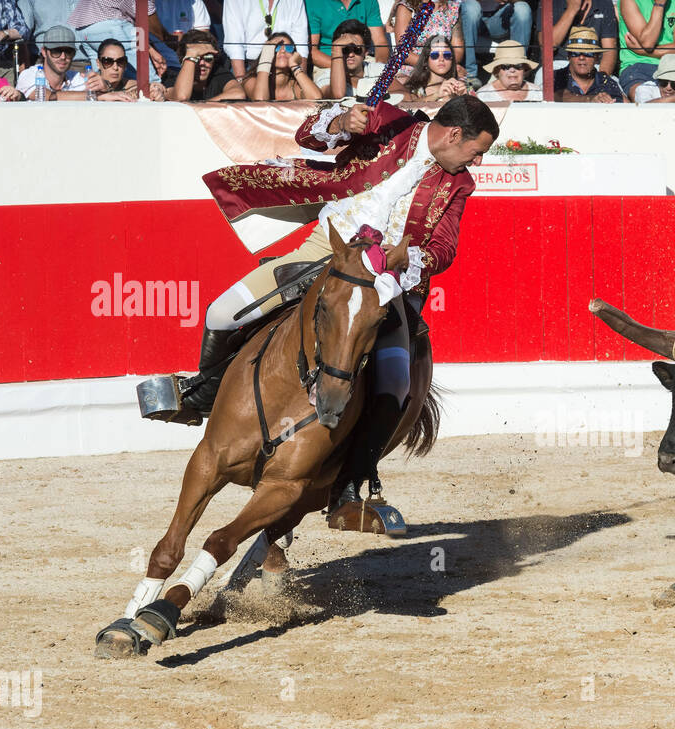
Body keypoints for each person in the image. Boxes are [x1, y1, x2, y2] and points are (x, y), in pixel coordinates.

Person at [183, 96, 500, 513]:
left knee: (397, 382)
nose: (475, 162)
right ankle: (201, 394)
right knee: (222, 312)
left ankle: (351, 485)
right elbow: (308, 136)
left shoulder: (458, 183)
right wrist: (339, 122)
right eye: (476, 152)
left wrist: (406, 258)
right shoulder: (387, 121)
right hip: (323, 250)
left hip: (386, 282)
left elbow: (444, 247)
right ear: (455, 134)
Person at [68, 0, 167, 81]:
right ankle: (154, 92)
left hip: (83, 29)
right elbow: (148, 18)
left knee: (102, 79)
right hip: (109, 24)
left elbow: (136, 30)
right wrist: (168, 39)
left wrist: (150, 49)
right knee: (147, 79)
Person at [618, 0, 675, 97]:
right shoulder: (629, 1)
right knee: (645, 98)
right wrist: (659, 5)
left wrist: (643, 52)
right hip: (638, 66)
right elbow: (648, 42)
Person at [224, 0, 309, 82]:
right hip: (249, 66)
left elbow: (301, 47)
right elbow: (235, 47)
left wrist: (300, 82)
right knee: (256, 95)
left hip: (285, 65)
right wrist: (242, 82)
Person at [309, 0, 389, 86]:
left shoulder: (369, 1)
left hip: (362, 61)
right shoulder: (313, 3)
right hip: (327, 65)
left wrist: (380, 70)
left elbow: (380, 42)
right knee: (335, 92)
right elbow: (312, 51)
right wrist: (343, 67)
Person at [390, 0, 462, 86]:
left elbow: (458, 51)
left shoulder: (452, 9)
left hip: (444, 67)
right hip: (413, 68)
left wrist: (444, 65)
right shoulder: (406, 8)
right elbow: (402, 52)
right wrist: (431, 64)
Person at [460, 0, 532, 86]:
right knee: (471, 7)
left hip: (500, 18)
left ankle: (517, 69)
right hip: (472, 20)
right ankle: (470, 75)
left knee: (522, 8)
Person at [545, 0, 619, 76]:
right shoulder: (549, 3)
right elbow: (547, 46)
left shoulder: (604, 3)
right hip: (556, 65)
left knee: (613, 86)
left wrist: (601, 80)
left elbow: (609, 51)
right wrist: (572, 9)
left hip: (595, 67)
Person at [14, 23, 89, 97]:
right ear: (44, 52)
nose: (63, 57)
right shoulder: (28, 75)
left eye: (68, 51)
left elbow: (93, 93)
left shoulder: (76, 77)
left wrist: (99, 84)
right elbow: (46, 96)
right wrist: (90, 95)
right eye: (56, 51)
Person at [168, 27, 246, 99]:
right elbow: (181, 97)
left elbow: (238, 94)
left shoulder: (218, 73)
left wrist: (205, 105)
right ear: (184, 60)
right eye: (196, 58)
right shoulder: (175, 77)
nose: (202, 63)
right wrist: (191, 55)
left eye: (208, 58)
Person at [553, 24, 625, 101]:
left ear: (596, 58)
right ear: (569, 56)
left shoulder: (606, 82)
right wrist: (590, 99)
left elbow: (617, 104)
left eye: (588, 53)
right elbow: (558, 96)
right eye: (576, 53)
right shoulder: (556, 77)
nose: (581, 57)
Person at [245, 31, 322, 99]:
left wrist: (294, 65)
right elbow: (260, 100)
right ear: (267, 52)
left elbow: (316, 98)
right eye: (276, 47)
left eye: (288, 47)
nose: (282, 50)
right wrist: (265, 58)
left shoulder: (295, 85)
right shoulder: (251, 80)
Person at [393, 32, 469, 100]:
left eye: (447, 55)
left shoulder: (461, 85)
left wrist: (466, 98)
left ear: (452, 60)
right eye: (435, 55)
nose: (441, 59)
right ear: (426, 60)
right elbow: (410, 107)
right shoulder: (415, 89)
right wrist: (437, 95)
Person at [87, 36, 166, 98]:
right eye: (108, 61)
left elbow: (163, 91)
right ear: (98, 63)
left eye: (120, 61)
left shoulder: (132, 85)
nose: (115, 67)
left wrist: (157, 90)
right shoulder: (86, 83)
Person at [322, 19, 375, 97]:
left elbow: (399, 93)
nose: (350, 55)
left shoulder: (376, 69)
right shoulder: (326, 77)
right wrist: (336, 47)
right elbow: (338, 95)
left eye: (357, 49)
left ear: (366, 52)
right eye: (345, 49)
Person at [476, 38, 541, 99]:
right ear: (497, 70)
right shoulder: (483, 95)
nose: (512, 70)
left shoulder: (537, 93)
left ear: (524, 69)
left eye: (518, 66)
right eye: (506, 66)